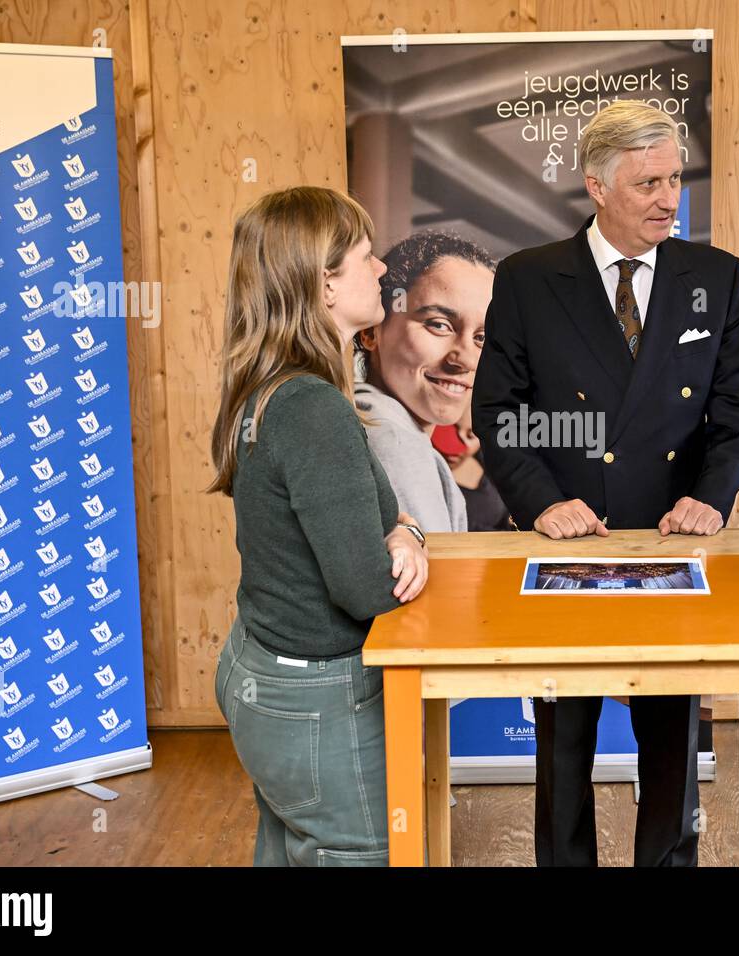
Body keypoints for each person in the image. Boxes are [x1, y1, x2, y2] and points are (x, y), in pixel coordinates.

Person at [473, 100, 739, 866]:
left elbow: (736, 410)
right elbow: (500, 414)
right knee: (563, 741)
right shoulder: (530, 279)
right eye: (647, 184)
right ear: (596, 186)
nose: (669, 199)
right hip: (567, 546)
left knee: (671, 737)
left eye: (675, 179)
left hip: (670, 542)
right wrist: (542, 502)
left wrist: (712, 495)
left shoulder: (716, 277)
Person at [208, 186, 429, 866]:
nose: (383, 269)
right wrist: (403, 543)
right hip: (315, 701)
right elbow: (367, 590)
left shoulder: (281, 387)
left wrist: (405, 532)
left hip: (264, 678)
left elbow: (386, 508)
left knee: (288, 847)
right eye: (367, 256)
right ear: (323, 283)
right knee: (364, 849)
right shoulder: (312, 409)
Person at [353, 231, 495, 533]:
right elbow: (437, 580)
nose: (466, 359)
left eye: (481, 337)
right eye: (439, 325)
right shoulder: (390, 436)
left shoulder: (376, 422)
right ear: (371, 331)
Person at [432, 404, 511, 532]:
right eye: (452, 430)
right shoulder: (424, 475)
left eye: (471, 435)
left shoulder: (490, 462)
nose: (462, 444)